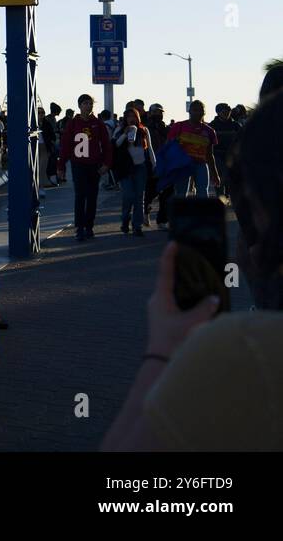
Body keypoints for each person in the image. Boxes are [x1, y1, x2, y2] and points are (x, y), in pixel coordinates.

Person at [102, 91, 283, 450]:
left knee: (195, 197)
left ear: (261, 208)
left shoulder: (247, 346)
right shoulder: (179, 129)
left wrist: (164, 349)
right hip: (182, 167)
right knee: (185, 195)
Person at [57, 93, 113, 241]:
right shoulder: (73, 123)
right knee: (80, 196)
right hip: (78, 164)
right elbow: (65, 146)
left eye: (90, 104)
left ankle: (89, 226)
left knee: (92, 196)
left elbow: (107, 145)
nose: (88, 106)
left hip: (94, 165)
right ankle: (79, 227)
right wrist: (61, 166)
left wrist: (107, 164)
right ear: (80, 105)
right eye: (85, 103)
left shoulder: (98, 123)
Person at [111, 106, 155, 236]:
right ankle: (125, 220)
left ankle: (137, 225)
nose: (131, 119)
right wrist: (125, 133)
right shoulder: (119, 129)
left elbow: (150, 149)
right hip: (125, 168)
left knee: (139, 197)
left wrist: (154, 164)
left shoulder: (144, 130)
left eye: (134, 116)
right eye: (129, 116)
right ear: (125, 118)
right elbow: (116, 144)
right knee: (128, 195)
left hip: (140, 167)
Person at [164, 101, 219, 198]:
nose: (197, 113)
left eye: (200, 110)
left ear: (204, 112)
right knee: (181, 194)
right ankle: (182, 213)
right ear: (189, 111)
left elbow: (210, 155)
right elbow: (167, 147)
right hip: (182, 165)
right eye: (195, 110)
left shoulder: (209, 131)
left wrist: (215, 174)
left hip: (201, 164)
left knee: (203, 193)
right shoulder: (178, 126)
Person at [145, 103, 169, 224]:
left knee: (167, 192)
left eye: (160, 112)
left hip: (165, 163)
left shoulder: (165, 127)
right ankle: (146, 211)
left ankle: (162, 220)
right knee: (151, 191)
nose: (158, 114)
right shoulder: (146, 128)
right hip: (151, 163)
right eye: (155, 112)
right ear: (150, 113)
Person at [209, 104, 240, 200]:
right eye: (224, 111)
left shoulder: (235, 125)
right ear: (218, 113)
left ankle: (228, 195)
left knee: (231, 177)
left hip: (232, 155)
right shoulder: (212, 125)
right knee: (219, 176)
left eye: (228, 111)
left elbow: (243, 137)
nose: (226, 113)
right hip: (217, 154)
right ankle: (220, 197)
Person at [38, 104, 61, 187]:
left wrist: (52, 141)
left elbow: (52, 135)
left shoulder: (46, 123)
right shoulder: (33, 123)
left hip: (45, 147)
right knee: (40, 165)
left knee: (44, 165)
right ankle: (43, 182)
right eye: (39, 113)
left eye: (42, 112)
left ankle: (43, 182)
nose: (41, 114)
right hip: (35, 147)